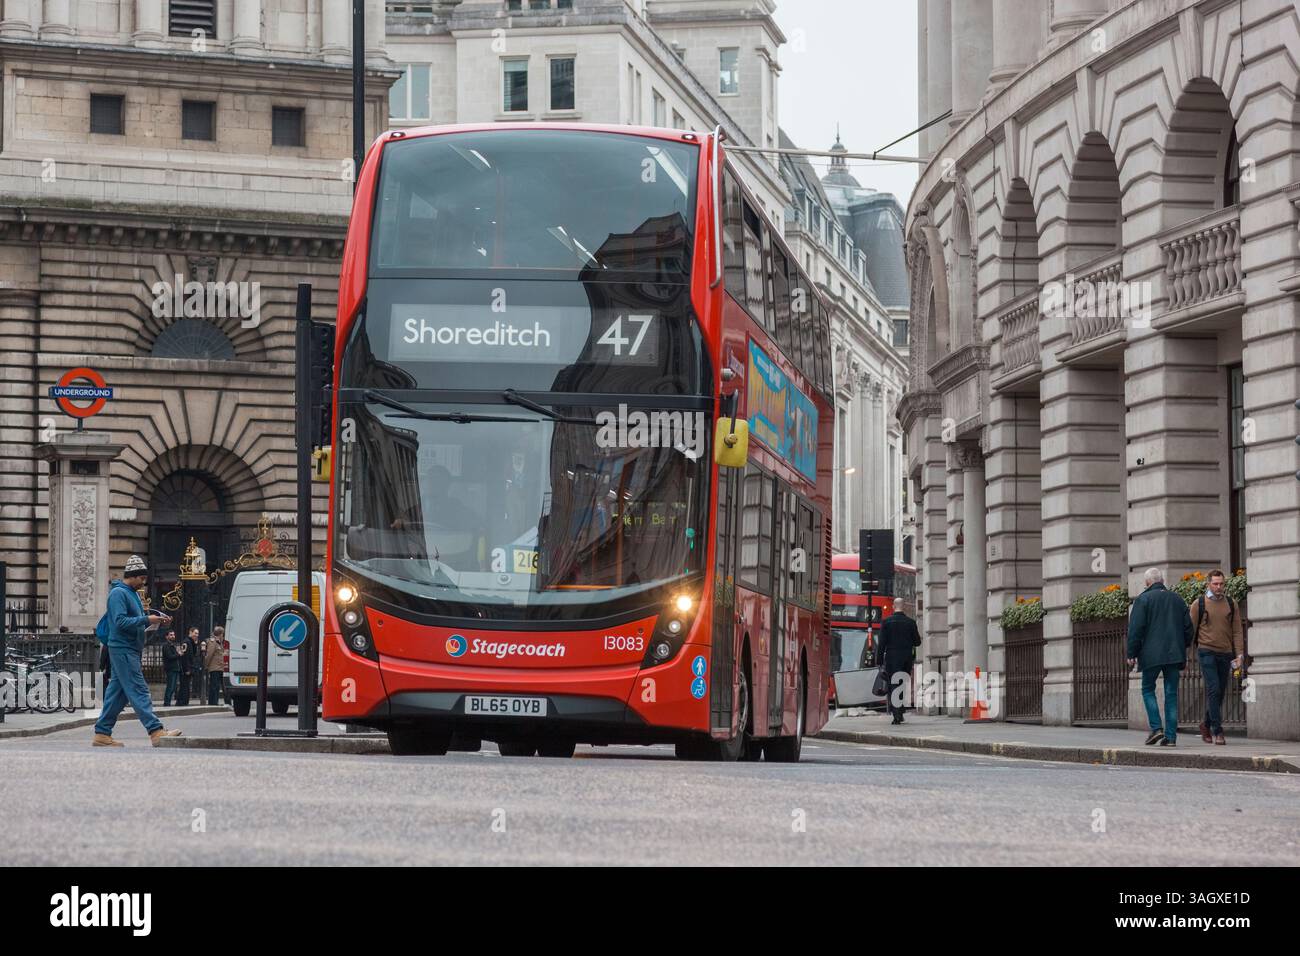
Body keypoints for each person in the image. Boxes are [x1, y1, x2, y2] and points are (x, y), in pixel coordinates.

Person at [92, 555, 182, 747]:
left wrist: (152, 621)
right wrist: (146, 620)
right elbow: (120, 622)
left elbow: (133, 622)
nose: (143, 582)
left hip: (129, 648)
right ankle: (156, 731)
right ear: (131, 576)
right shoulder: (118, 594)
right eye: (141, 578)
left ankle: (102, 733)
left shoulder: (131, 593)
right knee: (139, 689)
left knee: (118, 693)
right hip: (122, 648)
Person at [1126, 567, 1195, 747]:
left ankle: (1156, 728)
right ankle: (1171, 737)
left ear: (1147, 583)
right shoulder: (1177, 599)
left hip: (1151, 654)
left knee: (1148, 689)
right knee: (1171, 694)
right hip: (1174, 654)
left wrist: (1131, 653)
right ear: (1162, 581)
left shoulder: (1143, 599)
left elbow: (1136, 629)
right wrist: (1183, 647)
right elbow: (1189, 628)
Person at [1191, 569, 1245, 746]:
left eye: (1221, 583)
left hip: (1226, 653)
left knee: (1220, 693)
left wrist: (1239, 654)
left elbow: (1237, 630)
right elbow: (1191, 631)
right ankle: (1218, 731)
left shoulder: (1231, 603)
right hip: (1206, 651)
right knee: (1213, 689)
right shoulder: (1198, 604)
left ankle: (1205, 724)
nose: (1219, 587)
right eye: (1215, 583)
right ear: (1208, 584)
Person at [878, 600, 922, 725]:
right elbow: (917, 642)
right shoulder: (911, 623)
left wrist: (879, 660)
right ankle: (900, 711)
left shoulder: (886, 622)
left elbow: (882, 643)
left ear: (893, 607)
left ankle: (896, 713)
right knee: (903, 684)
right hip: (906, 657)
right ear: (904, 607)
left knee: (893, 685)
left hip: (891, 657)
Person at [203, 626, 226, 705]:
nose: (223, 636)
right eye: (222, 634)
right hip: (214, 668)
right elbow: (209, 654)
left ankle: (217, 702)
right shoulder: (213, 642)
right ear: (220, 634)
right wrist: (206, 665)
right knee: (214, 686)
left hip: (220, 668)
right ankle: (213, 703)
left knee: (218, 686)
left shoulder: (219, 642)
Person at [161, 629, 183, 706]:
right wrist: (178, 654)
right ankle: (167, 702)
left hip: (175, 668)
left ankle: (168, 702)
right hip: (170, 668)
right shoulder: (166, 646)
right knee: (170, 687)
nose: (173, 636)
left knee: (173, 687)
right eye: (171, 635)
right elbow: (169, 656)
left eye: (173, 635)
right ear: (166, 636)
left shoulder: (172, 645)